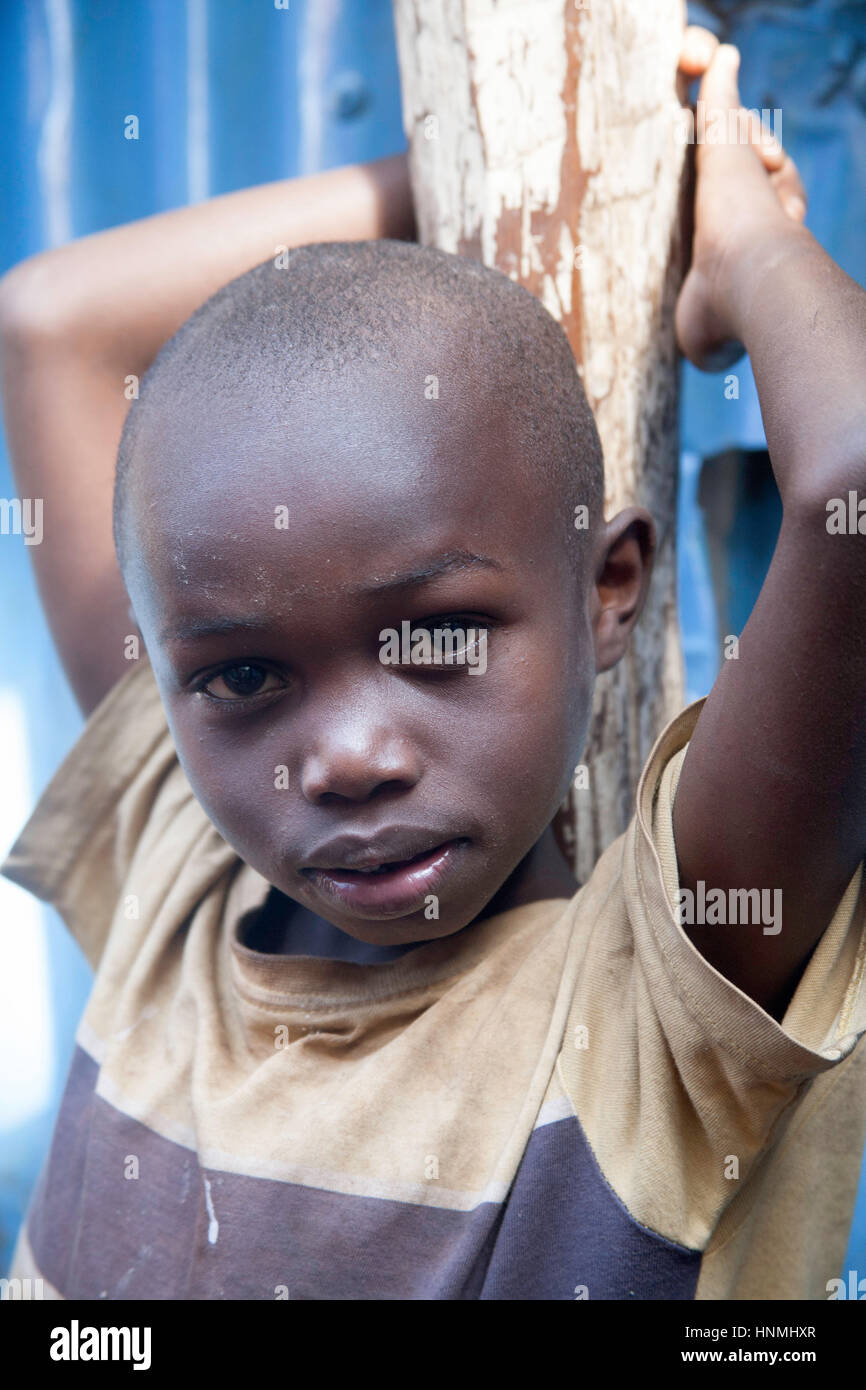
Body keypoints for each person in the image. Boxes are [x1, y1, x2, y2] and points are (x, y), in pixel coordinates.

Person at [1, 29, 864, 1300]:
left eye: (439, 637)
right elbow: (44, 323)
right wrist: (470, 171)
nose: (345, 758)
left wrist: (734, 241)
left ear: (606, 586)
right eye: (241, 678)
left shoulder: (655, 1014)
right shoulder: (168, 869)